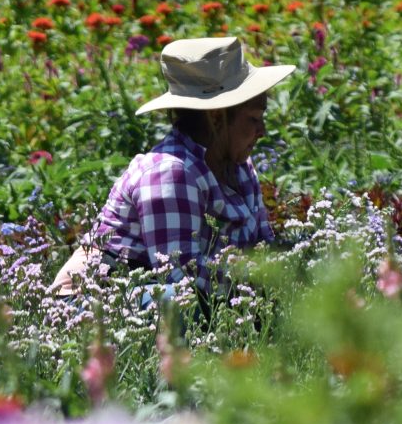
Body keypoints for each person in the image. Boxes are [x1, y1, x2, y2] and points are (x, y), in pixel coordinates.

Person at [51, 36, 293, 295]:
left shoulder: (238, 167)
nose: (263, 130)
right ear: (216, 116)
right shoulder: (170, 172)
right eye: (254, 118)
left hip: (173, 297)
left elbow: (263, 246)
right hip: (96, 302)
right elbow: (181, 274)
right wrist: (262, 286)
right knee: (173, 303)